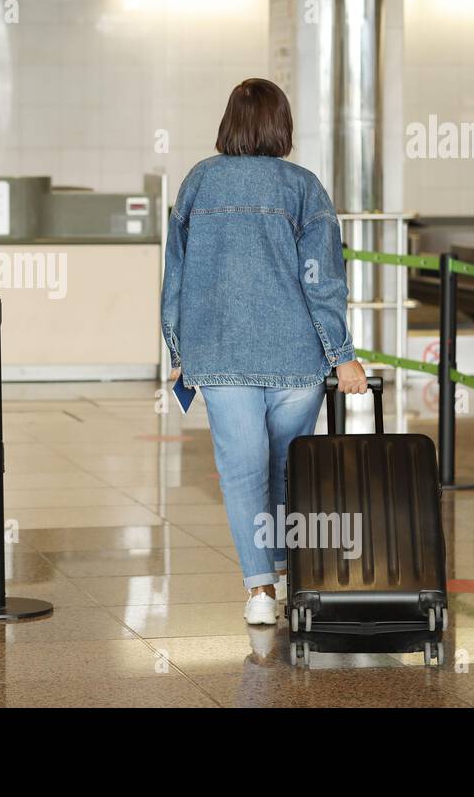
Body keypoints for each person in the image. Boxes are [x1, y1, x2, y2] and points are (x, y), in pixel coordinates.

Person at [161, 77, 367, 626]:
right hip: (296, 356)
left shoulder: (198, 182)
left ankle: (260, 591)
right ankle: (287, 568)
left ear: (230, 122)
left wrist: (178, 346)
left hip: (223, 356)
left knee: (242, 471)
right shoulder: (303, 187)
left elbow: (175, 275)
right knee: (287, 468)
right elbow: (322, 280)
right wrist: (342, 354)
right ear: (282, 126)